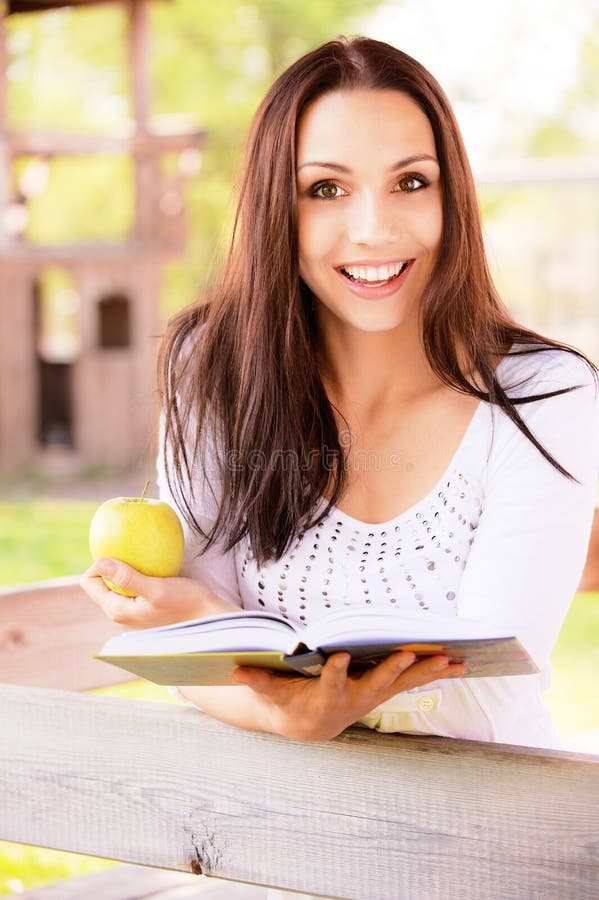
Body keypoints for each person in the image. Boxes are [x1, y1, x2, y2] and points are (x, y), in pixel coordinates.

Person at [82, 35, 599, 750]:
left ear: (453, 195)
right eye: (325, 189)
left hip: (487, 831)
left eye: (411, 182)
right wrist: (282, 710)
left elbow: (487, 693)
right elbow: (183, 659)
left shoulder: (546, 397)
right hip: (264, 839)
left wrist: (245, 659)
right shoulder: (210, 369)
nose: (373, 229)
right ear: (276, 208)